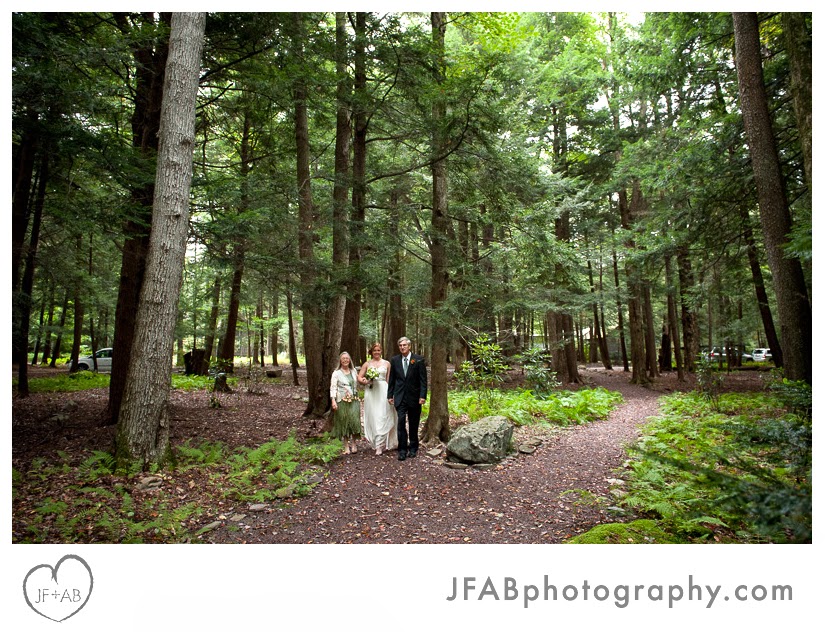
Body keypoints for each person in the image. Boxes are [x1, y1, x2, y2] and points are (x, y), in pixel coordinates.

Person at [387, 336, 427, 461]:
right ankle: (402, 450)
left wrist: (422, 396)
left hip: (414, 397)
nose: (402, 347)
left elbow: (423, 380)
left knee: (413, 424)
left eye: (404, 345)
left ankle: (413, 448)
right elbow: (392, 379)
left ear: (409, 346)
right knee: (400, 423)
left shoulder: (418, 360)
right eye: (400, 345)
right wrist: (390, 395)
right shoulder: (395, 360)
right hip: (400, 397)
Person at [357, 343, 398, 456]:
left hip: (383, 390)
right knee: (374, 417)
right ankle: (376, 443)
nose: (376, 352)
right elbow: (359, 377)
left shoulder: (387, 363)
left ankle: (381, 444)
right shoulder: (367, 364)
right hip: (371, 392)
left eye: (378, 350)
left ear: (381, 351)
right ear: (371, 352)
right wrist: (365, 381)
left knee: (383, 415)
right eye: (374, 350)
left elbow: (389, 380)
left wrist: (392, 394)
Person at [330, 352, 361, 455]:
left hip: (354, 399)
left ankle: (354, 443)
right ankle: (346, 446)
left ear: (349, 360)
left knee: (354, 421)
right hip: (342, 400)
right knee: (344, 422)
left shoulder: (353, 371)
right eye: (343, 358)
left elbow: (359, 382)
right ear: (340, 360)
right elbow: (333, 387)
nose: (345, 360)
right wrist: (333, 400)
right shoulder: (336, 373)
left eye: (347, 358)